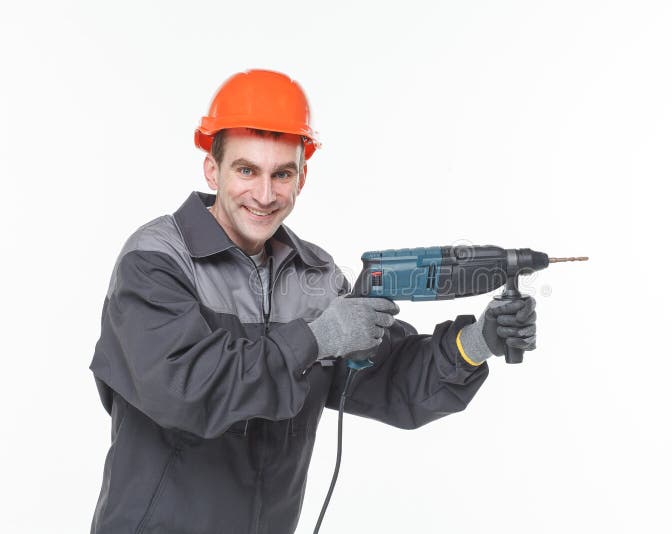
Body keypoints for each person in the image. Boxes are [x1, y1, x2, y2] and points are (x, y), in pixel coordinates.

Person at [89, 69, 536, 533]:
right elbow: (186, 389)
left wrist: (477, 341)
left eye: (282, 173)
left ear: (303, 176)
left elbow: (388, 380)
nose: (264, 195)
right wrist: (314, 340)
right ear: (212, 167)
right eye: (247, 170)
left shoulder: (315, 277)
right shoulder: (157, 260)